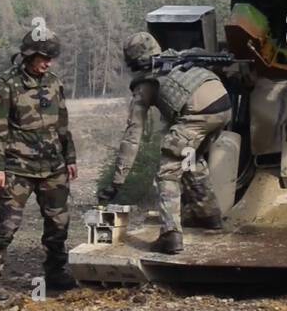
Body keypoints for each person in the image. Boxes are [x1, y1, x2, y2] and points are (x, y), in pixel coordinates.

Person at [98, 33, 231, 255]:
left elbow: (133, 135)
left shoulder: (146, 83)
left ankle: (171, 236)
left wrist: (117, 182)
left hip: (197, 115)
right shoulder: (176, 58)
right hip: (223, 106)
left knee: (167, 172)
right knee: (190, 159)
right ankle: (209, 216)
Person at [0, 28, 78, 300]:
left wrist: (70, 158)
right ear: (29, 55)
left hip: (53, 167)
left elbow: (63, 124)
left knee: (59, 225)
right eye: (44, 57)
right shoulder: (6, 84)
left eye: (51, 58)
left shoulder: (54, 82)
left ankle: (55, 273)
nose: (48, 63)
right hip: (18, 168)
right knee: (5, 226)